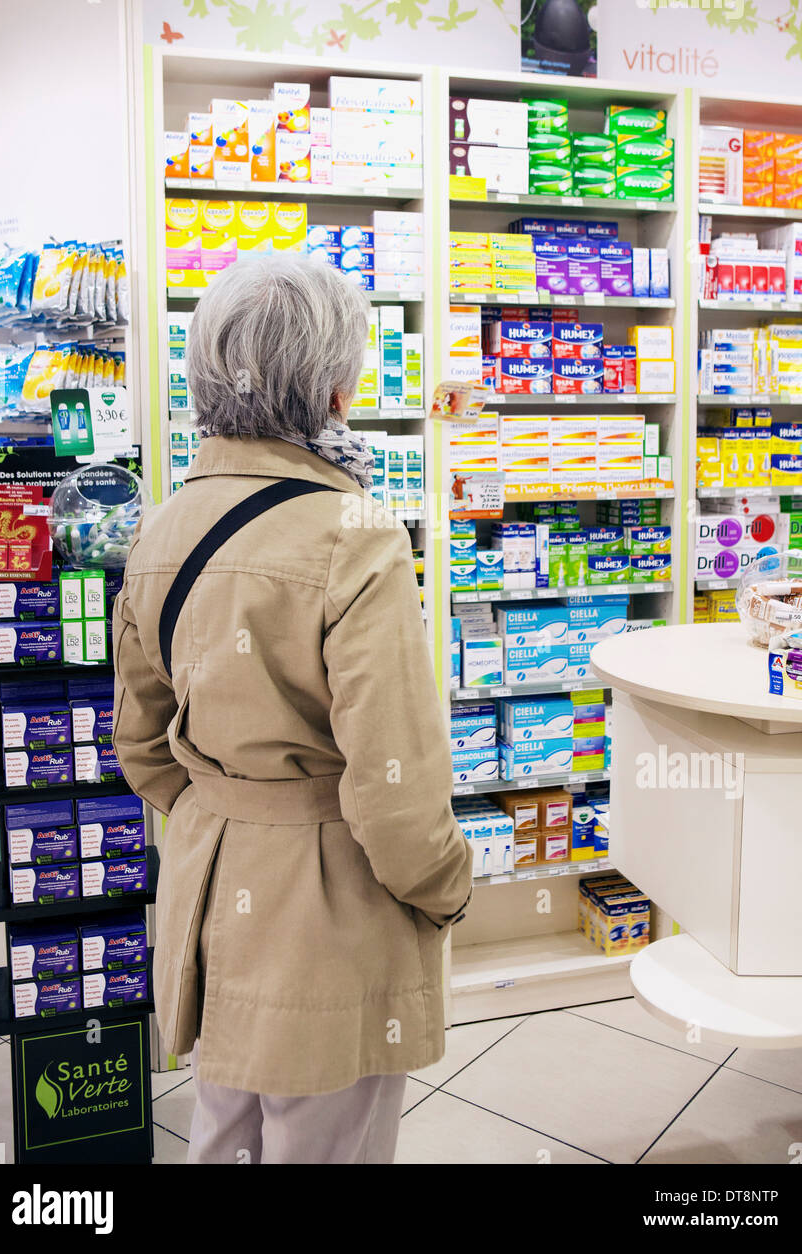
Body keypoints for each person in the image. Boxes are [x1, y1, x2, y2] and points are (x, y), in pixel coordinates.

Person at [112, 254, 473, 1165]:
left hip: (207, 893)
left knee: (225, 1131)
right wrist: (445, 887)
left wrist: (224, 813)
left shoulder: (161, 526)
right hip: (329, 911)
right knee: (327, 1144)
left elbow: (141, 744)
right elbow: (396, 789)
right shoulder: (357, 535)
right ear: (336, 386)